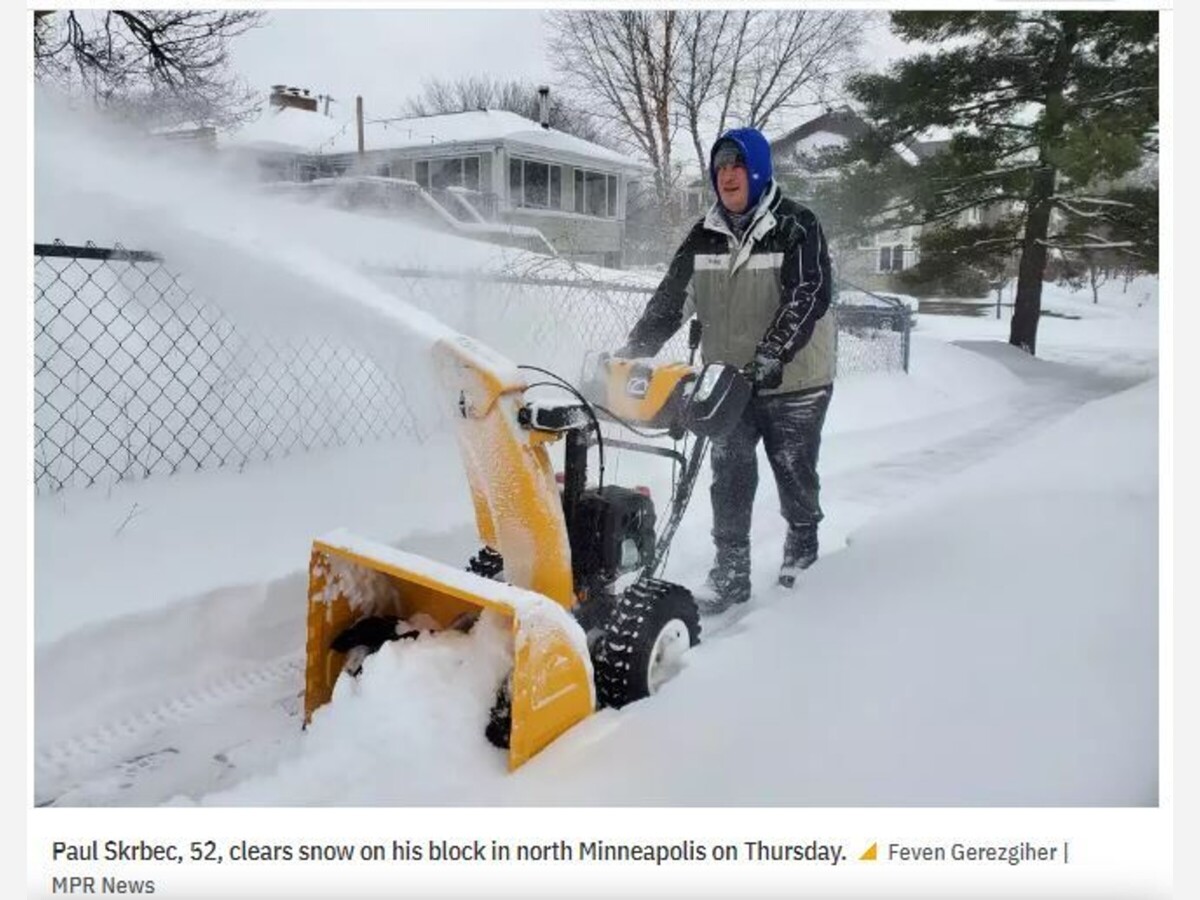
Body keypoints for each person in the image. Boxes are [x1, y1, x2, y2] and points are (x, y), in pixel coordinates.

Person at [616, 127, 835, 612]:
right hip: (728, 380)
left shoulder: (798, 225)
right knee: (729, 473)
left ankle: (802, 552)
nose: (728, 175)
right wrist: (633, 350)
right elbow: (671, 301)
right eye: (720, 168)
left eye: (737, 165)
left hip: (796, 379)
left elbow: (809, 294)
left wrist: (773, 353)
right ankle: (731, 572)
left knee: (794, 469)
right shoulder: (704, 234)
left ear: (756, 171)